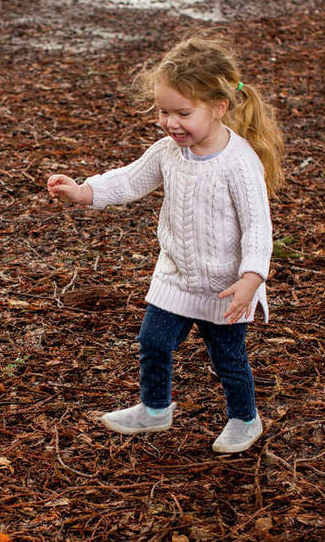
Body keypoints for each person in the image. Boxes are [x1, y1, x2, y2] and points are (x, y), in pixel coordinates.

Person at [46, 32, 284, 453]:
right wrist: (84, 191)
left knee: (228, 359)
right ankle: (155, 408)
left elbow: (257, 227)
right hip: (175, 276)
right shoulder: (168, 152)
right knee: (154, 342)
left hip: (226, 286)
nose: (171, 123)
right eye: (163, 111)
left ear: (219, 107)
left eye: (183, 113)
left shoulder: (239, 162)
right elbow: (130, 180)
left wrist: (252, 278)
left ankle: (245, 419)